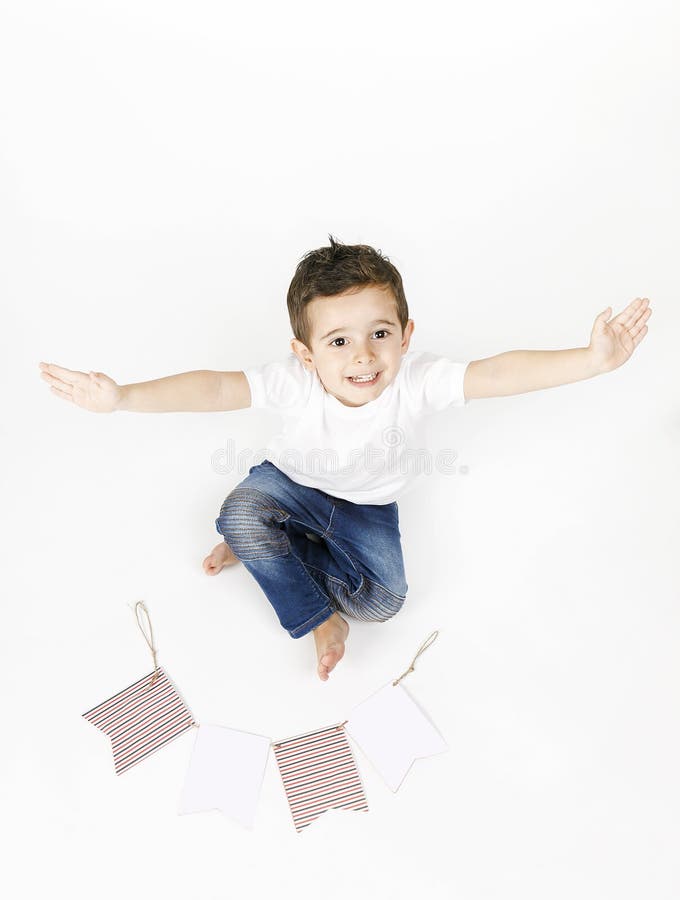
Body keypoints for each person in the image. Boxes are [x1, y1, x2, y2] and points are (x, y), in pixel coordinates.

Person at [38, 235, 652, 681]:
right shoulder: (294, 382)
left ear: (406, 336)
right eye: (338, 342)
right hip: (292, 485)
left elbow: (498, 372)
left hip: (367, 507)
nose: (362, 357)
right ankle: (309, 612)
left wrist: (590, 360)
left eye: (379, 334)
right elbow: (216, 388)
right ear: (305, 354)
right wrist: (122, 398)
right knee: (242, 512)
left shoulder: (416, 379)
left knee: (383, 603)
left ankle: (267, 547)